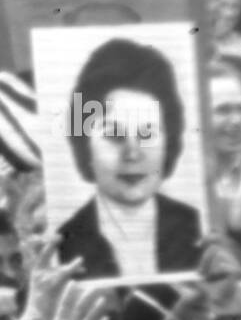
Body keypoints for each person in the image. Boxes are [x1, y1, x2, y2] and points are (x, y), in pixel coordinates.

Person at [56, 38, 203, 280]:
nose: (132, 154)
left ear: (169, 140)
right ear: (84, 145)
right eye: (114, 135)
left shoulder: (196, 227)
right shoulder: (64, 244)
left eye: (146, 134)